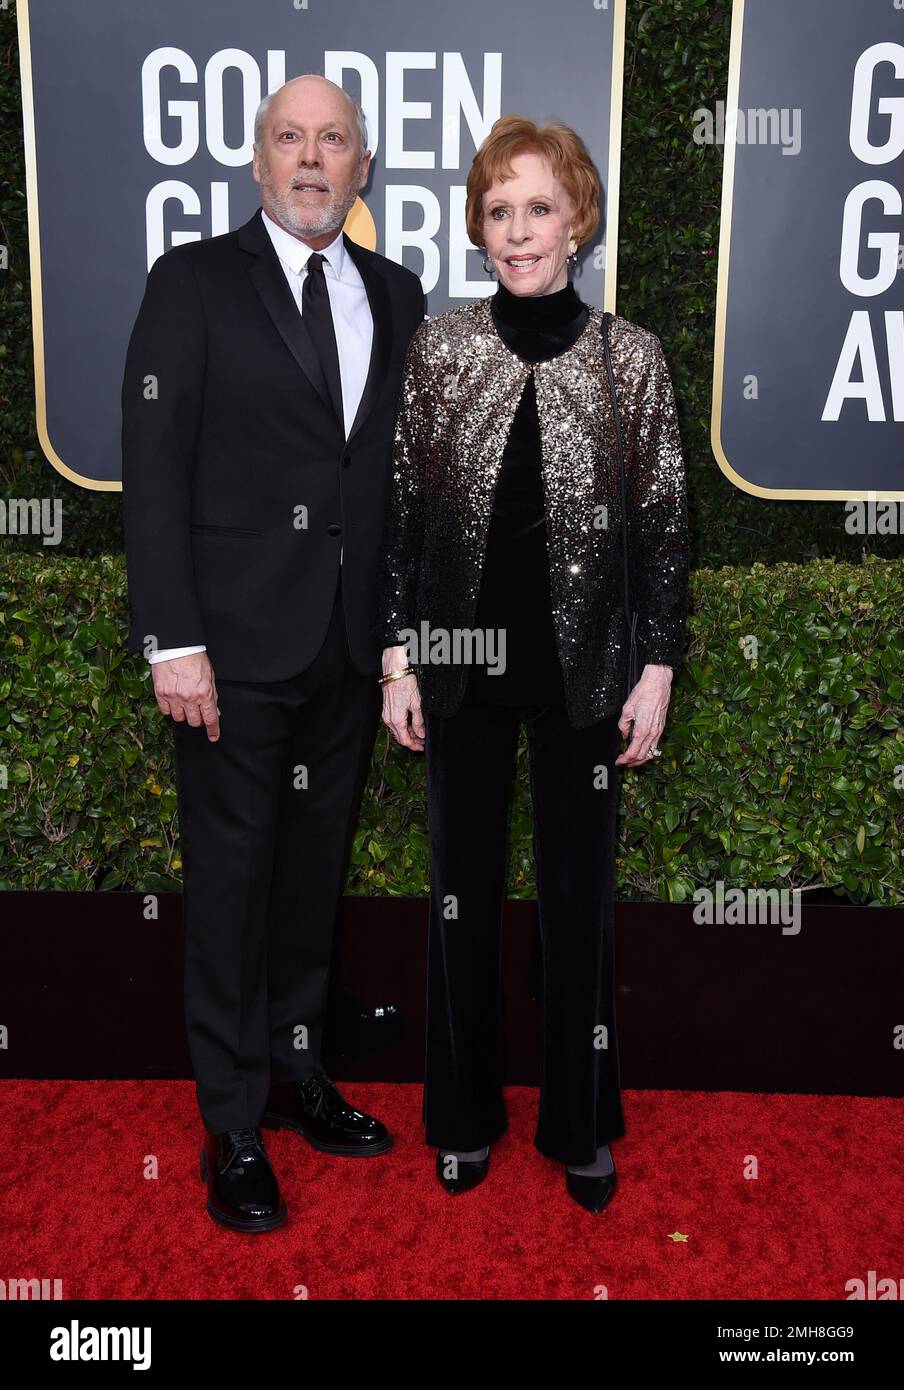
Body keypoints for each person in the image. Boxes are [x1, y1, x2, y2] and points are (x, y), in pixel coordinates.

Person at [122, 75, 425, 1232]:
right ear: (257, 162)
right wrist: (175, 639)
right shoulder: (192, 282)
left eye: (333, 141)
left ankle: (298, 1072)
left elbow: (400, 489)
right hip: (230, 652)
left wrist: (397, 648)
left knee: (311, 879)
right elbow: (152, 465)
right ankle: (233, 1120)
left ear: (361, 167)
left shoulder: (396, 295)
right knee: (233, 883)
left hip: (345, 649)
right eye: (290, 139)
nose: (312, 158)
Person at [377, 115, 689, 1213]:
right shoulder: (442, 348)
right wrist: (395, 655)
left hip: (582, 673)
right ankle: (461, 1114)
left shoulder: (630, 358)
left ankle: (579, 1120)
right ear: (479, 227)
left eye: (538, 207)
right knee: (458, 893)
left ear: (578, 221)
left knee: (575, 901)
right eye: (498, 210)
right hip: (457, 667)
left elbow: (660, 529)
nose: (518, 230)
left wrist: (655, 667)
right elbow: (402, 517)